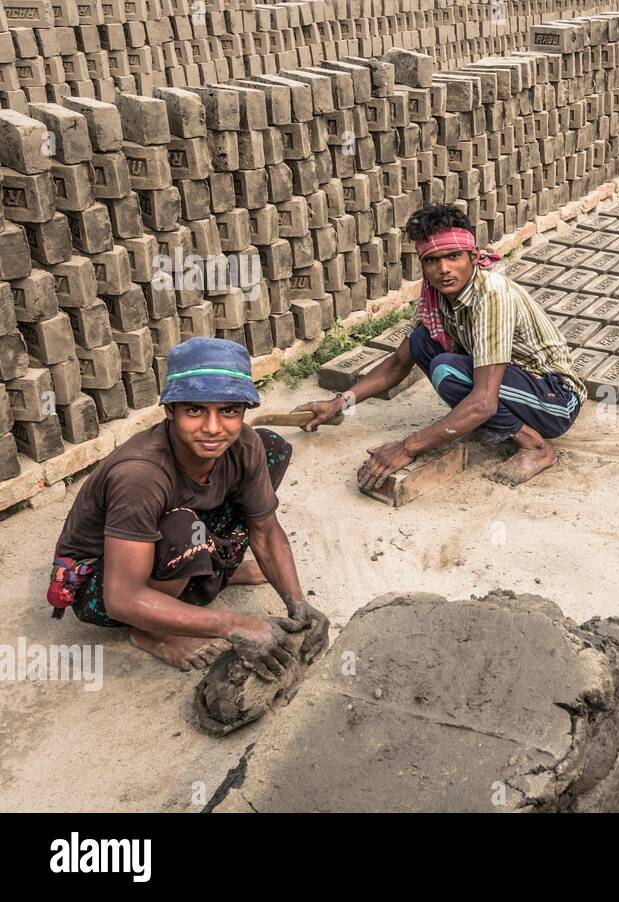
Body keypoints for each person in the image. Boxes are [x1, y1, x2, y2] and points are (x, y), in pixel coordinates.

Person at [46, 337, 329, 676]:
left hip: (173, 530)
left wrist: (297, 601)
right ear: (170, 410)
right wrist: (234, 625)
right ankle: (154, 632)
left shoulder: (242, 444)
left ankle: (211, 571)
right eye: (195, 410)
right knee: (183, 531)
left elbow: (265, 531)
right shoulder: (140, 475)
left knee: (271, 447)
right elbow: (122, 597)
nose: (212, 428)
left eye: (228, 411)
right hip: (103, 585)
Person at [301, 205, 586, 486]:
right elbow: (398, 364)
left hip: (554, 399)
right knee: (423, 341)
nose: (444, 270)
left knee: (447, 370)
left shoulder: (492, 296)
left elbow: (484, 402)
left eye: (453, 256)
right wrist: (340, 403)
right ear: (423, 265)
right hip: (515, 385)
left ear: (474, 257)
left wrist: (407, 447)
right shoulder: (433, 298)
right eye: (432, 260)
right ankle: (494, 424)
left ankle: (536, 447)